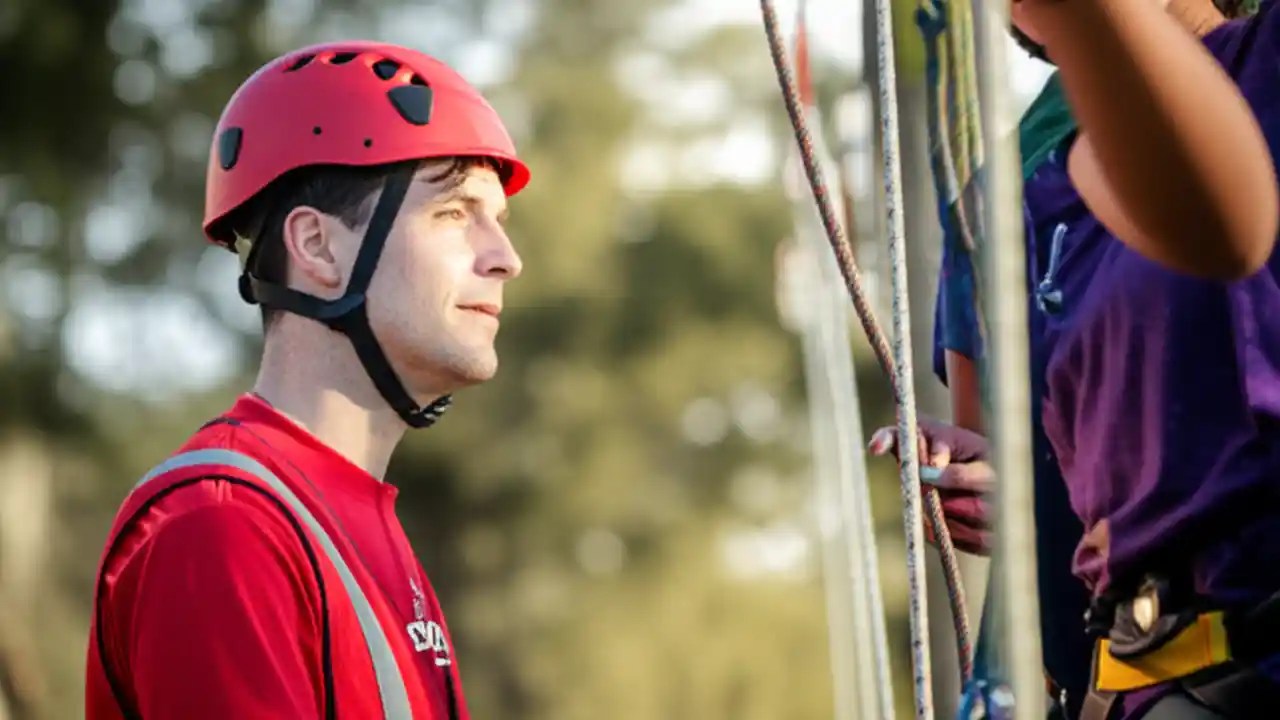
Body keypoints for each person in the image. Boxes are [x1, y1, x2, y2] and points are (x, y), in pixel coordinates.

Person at [84, 40, 527, 719]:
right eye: (454, 212)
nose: (505, 258)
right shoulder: (224, 527)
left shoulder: (357, 522)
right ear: (318, 247)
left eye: (498, 221)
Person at [873, 0, 1280, 715]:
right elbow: (1062, 485)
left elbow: (1221, 230)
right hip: (1141, 679)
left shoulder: (1265, 63)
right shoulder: (1017, 201)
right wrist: (1007, 491)